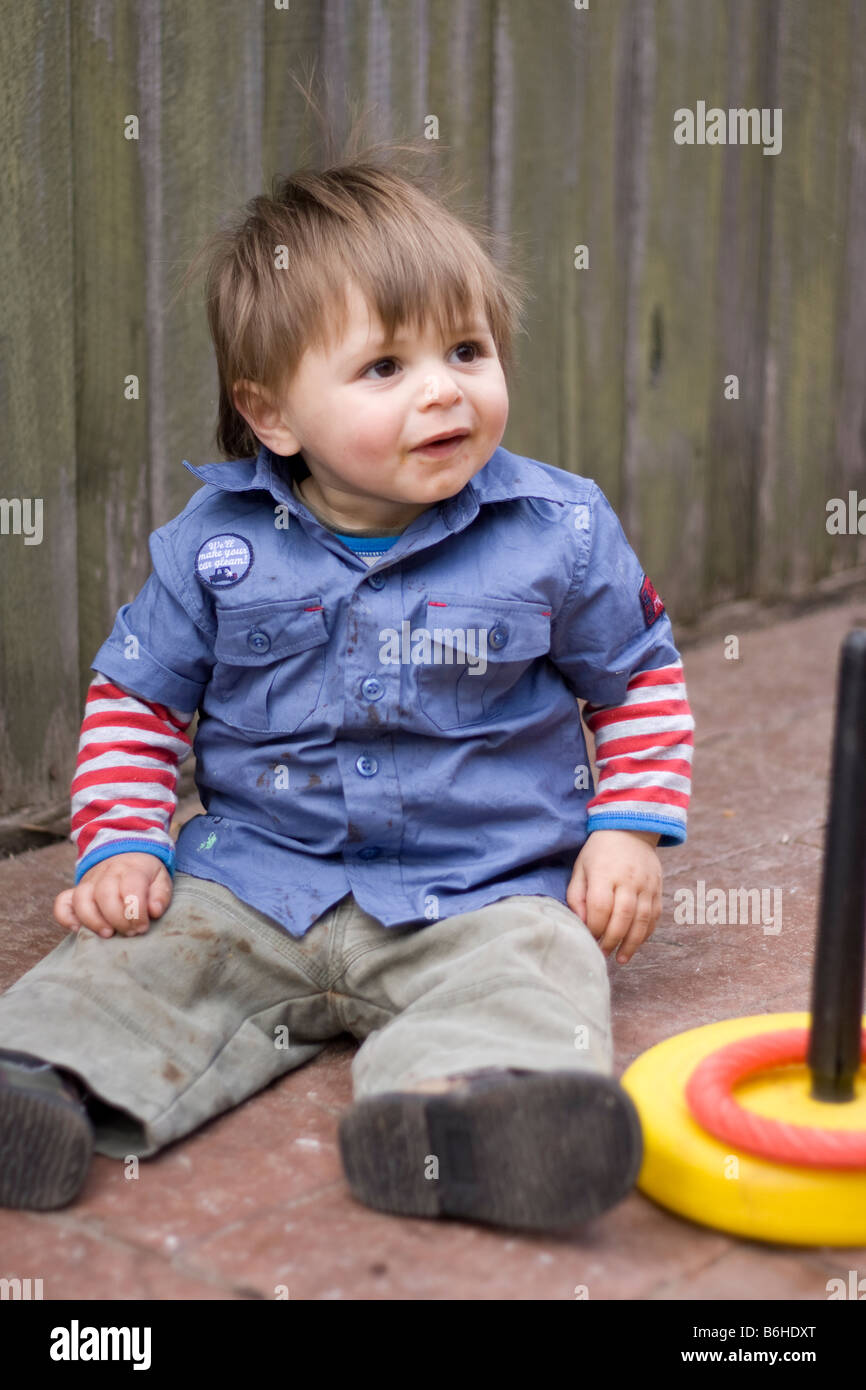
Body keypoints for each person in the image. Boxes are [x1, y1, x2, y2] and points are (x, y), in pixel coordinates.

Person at [0, 154, 694, 1234]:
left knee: (539, 964)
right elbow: (137, 700)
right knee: (131, 959)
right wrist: (123, 841)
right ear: (272, 413)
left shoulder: (557, 532)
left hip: (479, 889)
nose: (442, 389)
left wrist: (627, 829)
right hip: (251, 886)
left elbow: (637, 676)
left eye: (466, 350)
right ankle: (39, 1082)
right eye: (383, 366)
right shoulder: (217, 549)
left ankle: (464, 1116)